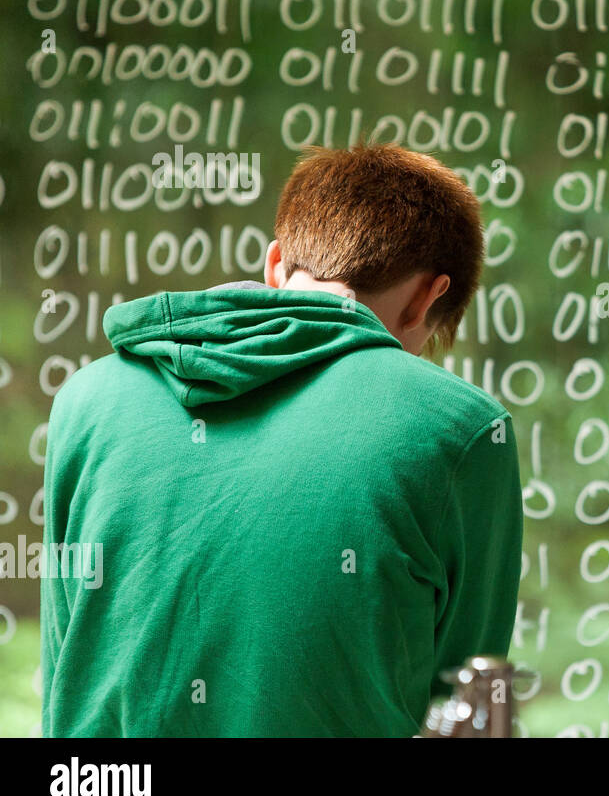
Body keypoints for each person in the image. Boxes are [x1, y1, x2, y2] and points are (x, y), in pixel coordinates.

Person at [40, 143, 523, 737]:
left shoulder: (87, 401)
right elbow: (464, 699)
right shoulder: (463, 428)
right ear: (429, 297)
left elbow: (69, 665)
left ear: (276, 267)